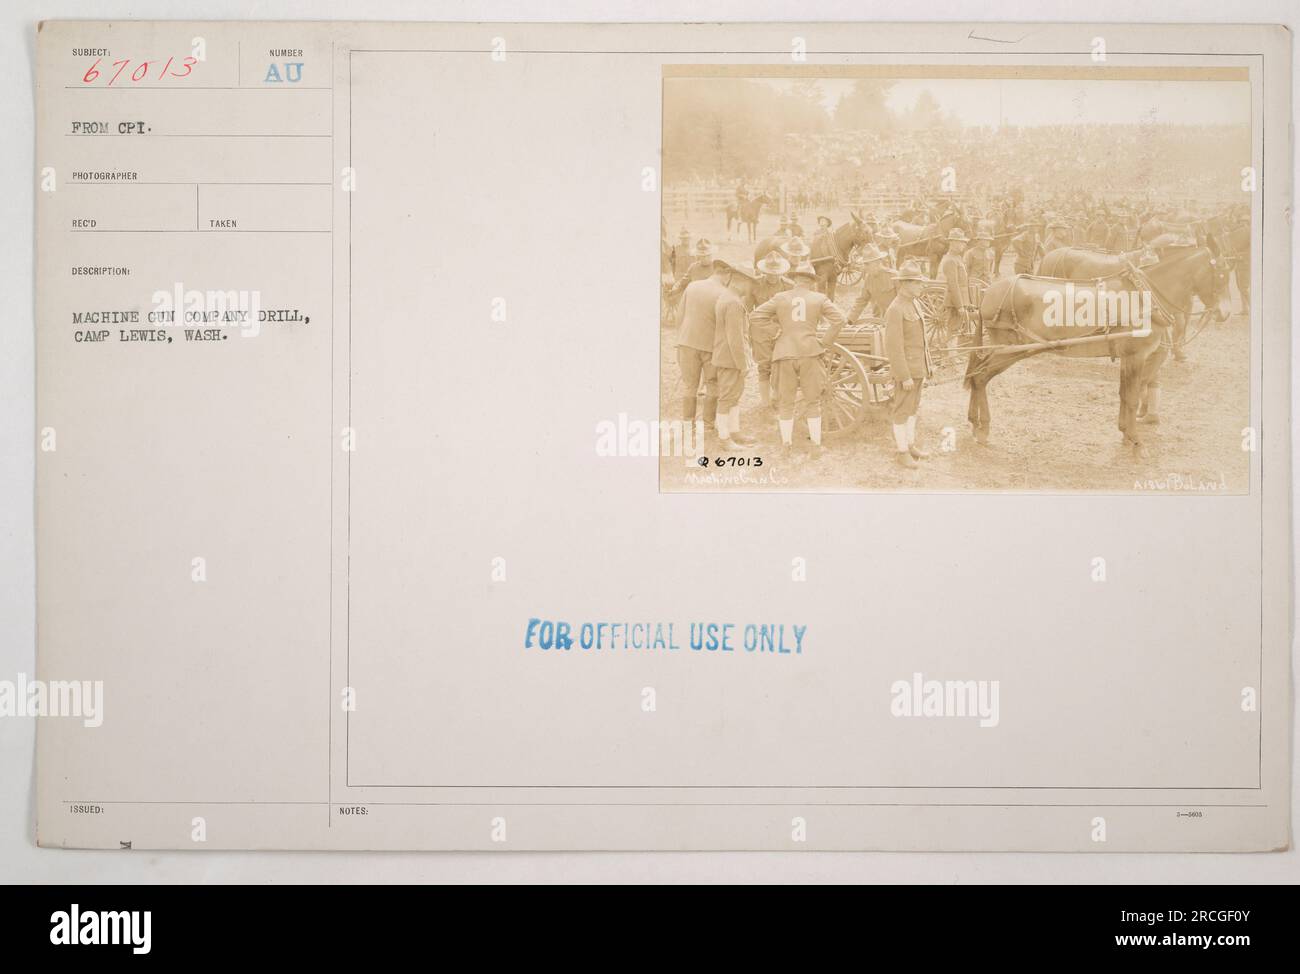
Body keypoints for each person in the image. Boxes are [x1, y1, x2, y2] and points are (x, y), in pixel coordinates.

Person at [748, 260, 847, 460]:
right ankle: (816, 447)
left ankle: (786, 446)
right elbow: (840, 319)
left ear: (795, 280)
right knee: (813, 401)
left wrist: (776, 330)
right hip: (810, 352)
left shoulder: (780, 297)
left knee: (786, 402)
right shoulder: (819, 298)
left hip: (784, 353)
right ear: (810, 281)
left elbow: (755, 316)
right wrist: (825, 343)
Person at [884, 259, 932, 469]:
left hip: (918, 368)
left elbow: (921, 341)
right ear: (905, 284)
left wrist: (927, 367)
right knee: (902, 411)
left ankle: (910, 445)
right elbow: (894, 347)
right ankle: (901, 451)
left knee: (913, 409)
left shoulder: (914, 303)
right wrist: (904, 376)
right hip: (907, 372)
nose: (922, 286)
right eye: (918, 282)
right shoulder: (895, 309)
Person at [674, 258, 731, 427]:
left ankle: (687, 421)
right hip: (711, 346)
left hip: (686, 342)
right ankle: (708, 423)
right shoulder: (724, 293)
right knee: (712, 384)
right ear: (726, 275)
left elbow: (680, 316)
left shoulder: (693, 286)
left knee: (690, 386)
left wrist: (682, 338)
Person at [711, 265, 760, 450]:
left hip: (727, 356)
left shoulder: (728, 298)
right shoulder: (733, 302)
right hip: (729, 358)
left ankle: (734, 431)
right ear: (741, 281)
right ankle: (724, 438)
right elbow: (735, 338)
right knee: (726, 398)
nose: (751, 288)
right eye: (749, 283)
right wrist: (743, 364)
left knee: (733, 396)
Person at [750, 252, 791, 409]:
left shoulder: (789, 286)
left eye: (776, 273)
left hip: (782, 331)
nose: (772, 276)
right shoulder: (755, 284)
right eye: (769, 273)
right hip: (761, 332)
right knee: (764, 367)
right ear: (764, 271)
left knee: (781, 364)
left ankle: (777, 397)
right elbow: (748, 309)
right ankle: (765, 402)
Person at [847, 245, 896, 322]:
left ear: (878, 262)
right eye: (864, 264)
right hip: (883, 319)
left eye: (867, 264)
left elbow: (905, 301)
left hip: (898, 318)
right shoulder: (869, 279)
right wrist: (850, 319)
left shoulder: (894, 276)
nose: (865, 267)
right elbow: (862, 300)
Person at [938, 229, 971, 340]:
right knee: (953, 327)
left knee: (956, 326)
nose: (964, 245)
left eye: (963, 242)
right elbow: (953, 285)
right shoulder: (950, 260)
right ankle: (951, 356)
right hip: (954, 301)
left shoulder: (957, 258)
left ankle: (953, 355)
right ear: (953, 243)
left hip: (960, 298)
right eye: (961, 242)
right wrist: (960, 305)